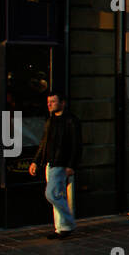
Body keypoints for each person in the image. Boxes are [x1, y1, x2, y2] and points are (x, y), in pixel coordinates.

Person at [28, 91, 82, 239]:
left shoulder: (71, 120)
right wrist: (36, 161)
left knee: (51, 194)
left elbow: (76, 145)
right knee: (57, 195)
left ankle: (68, 223)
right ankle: (60, 228)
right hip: (50, 163)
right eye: (48, 102)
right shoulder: (50, 121)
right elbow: (44, 143)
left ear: (62, 103)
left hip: (61, 163)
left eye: (53, 101)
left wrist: (71, 165)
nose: (49, 104)